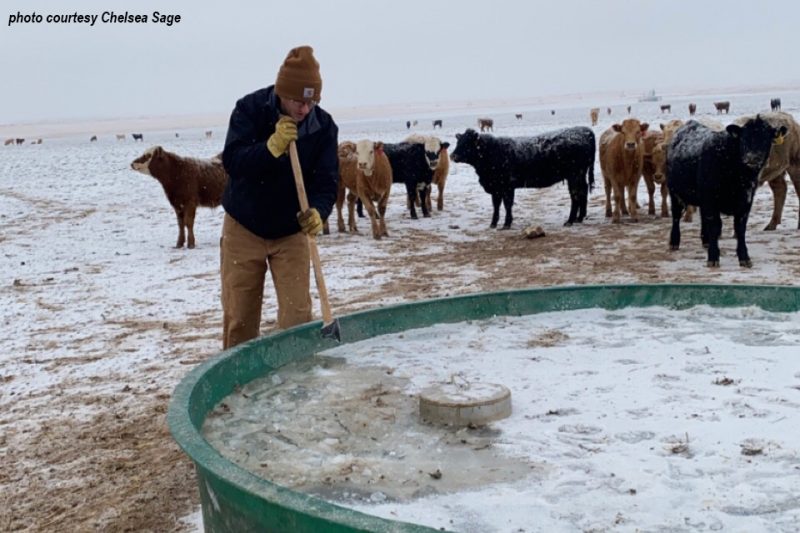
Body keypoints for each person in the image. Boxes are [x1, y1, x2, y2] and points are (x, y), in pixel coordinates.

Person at [220, 45, 339, 349]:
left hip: (291, 231)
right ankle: (238, 385)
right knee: (241, 317)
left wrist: (318, 212)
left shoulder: (323, 127)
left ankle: (294, 382)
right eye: (299, 101)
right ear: (282, 91)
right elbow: (232, 161)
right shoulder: (249, 109)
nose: (304, 110)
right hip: (244, 227)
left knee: (297, 318)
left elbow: (327, 183)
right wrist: (270, 148)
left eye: (312, 102)